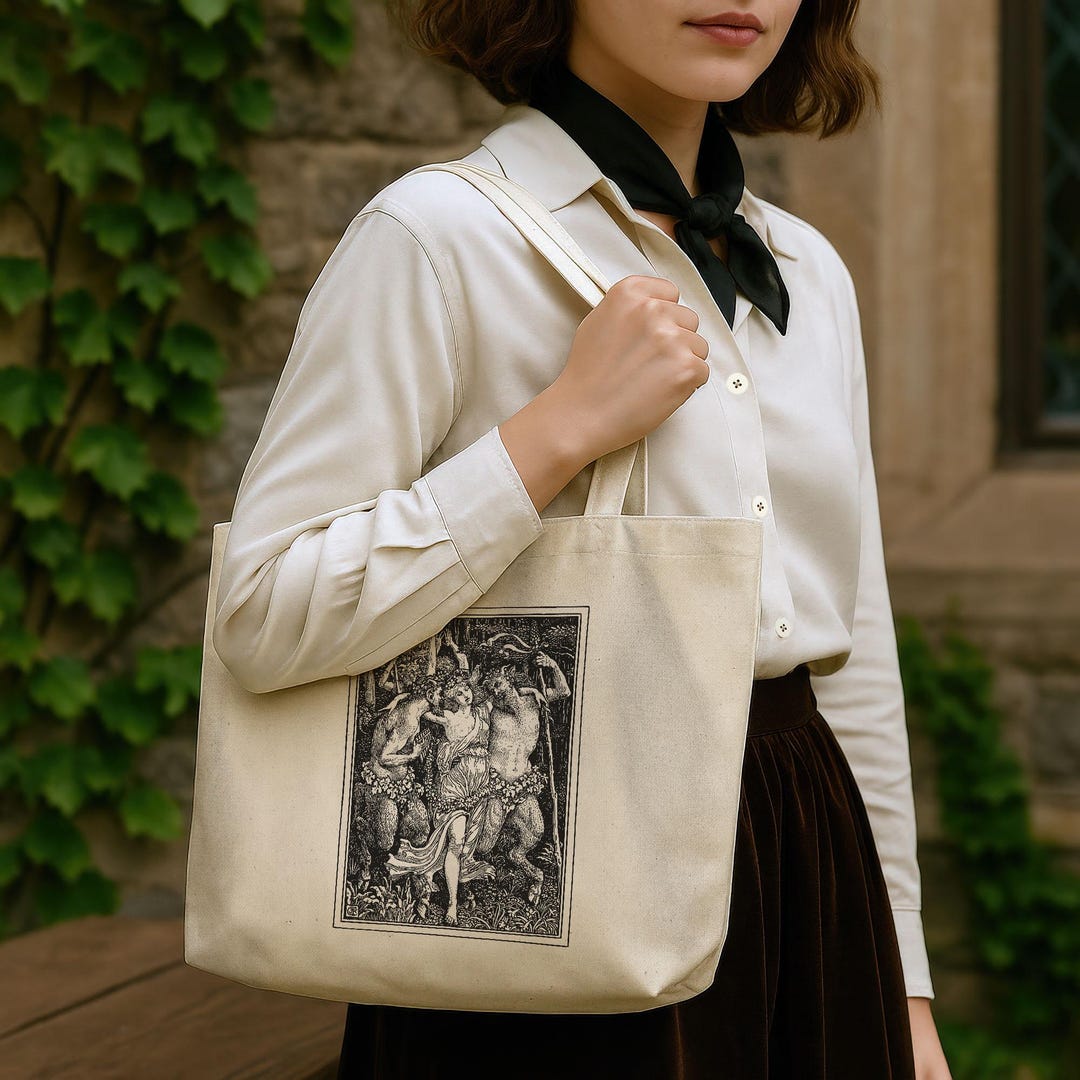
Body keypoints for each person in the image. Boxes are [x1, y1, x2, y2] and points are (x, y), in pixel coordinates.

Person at [211, 0, 953, 1075]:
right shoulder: (437, 238)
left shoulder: (806, 272)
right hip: (537, 874)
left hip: (805, 863)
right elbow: (260, 609)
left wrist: (906, 992)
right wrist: (551, 438)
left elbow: (856, 657)